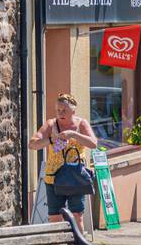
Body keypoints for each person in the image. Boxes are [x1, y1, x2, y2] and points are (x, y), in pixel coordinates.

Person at [28, 93, 100, 221]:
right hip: (54, 177)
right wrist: (50, 139)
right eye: (58, 110)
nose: (61, 113)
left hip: (75, 176)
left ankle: (77, 241)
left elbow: (93, 144)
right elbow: (32, 144)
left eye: (64, 110)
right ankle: (58, 242)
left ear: (73, 111)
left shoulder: (81, 124)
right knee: (55, 217)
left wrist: (73, 134)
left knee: (77, 216)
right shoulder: (51, 124)